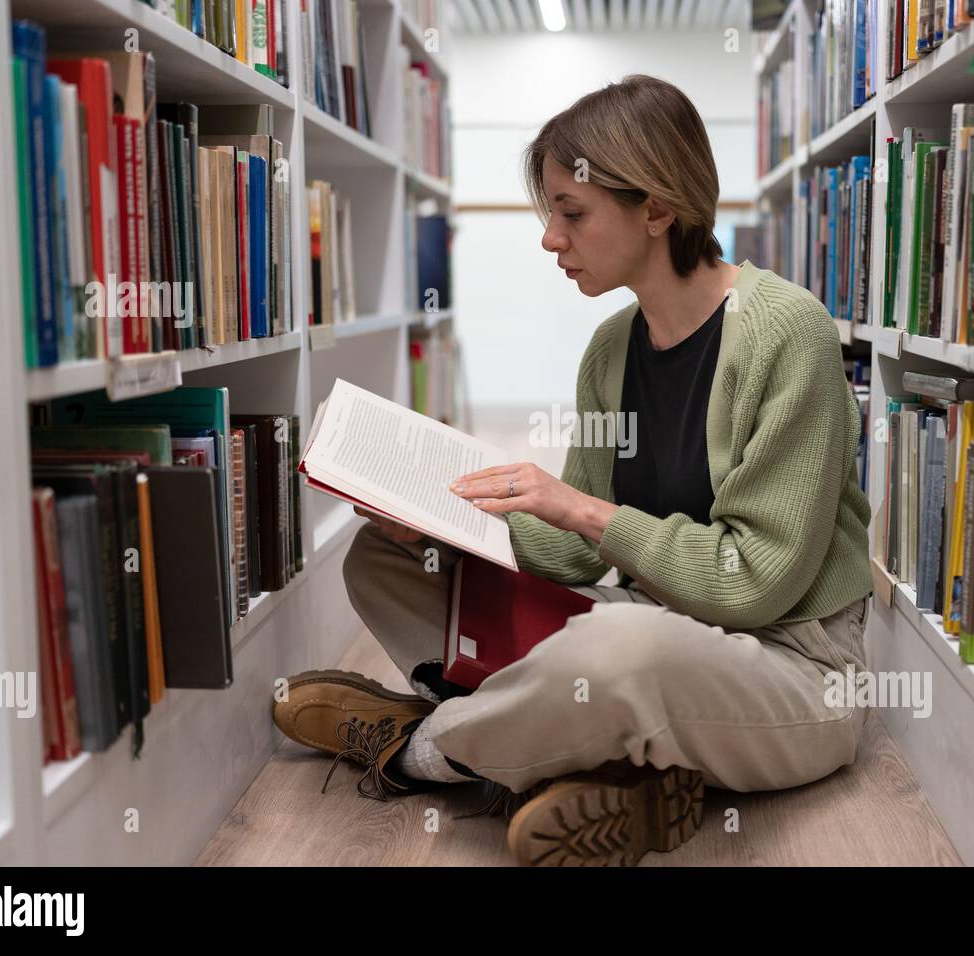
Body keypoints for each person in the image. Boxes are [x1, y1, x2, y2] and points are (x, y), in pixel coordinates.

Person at [274, 74, 873, 867]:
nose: (551, 238)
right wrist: (448, 523)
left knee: (615, 654)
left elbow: (752, 582)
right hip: (645, 613)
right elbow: (584, 556)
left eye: (572, 211)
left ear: (657, 209)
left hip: (787, 663)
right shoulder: (612, 349)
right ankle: (613, 766)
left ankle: (420, 747)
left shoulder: (787, 332)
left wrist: (582, 510)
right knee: (387, 560)